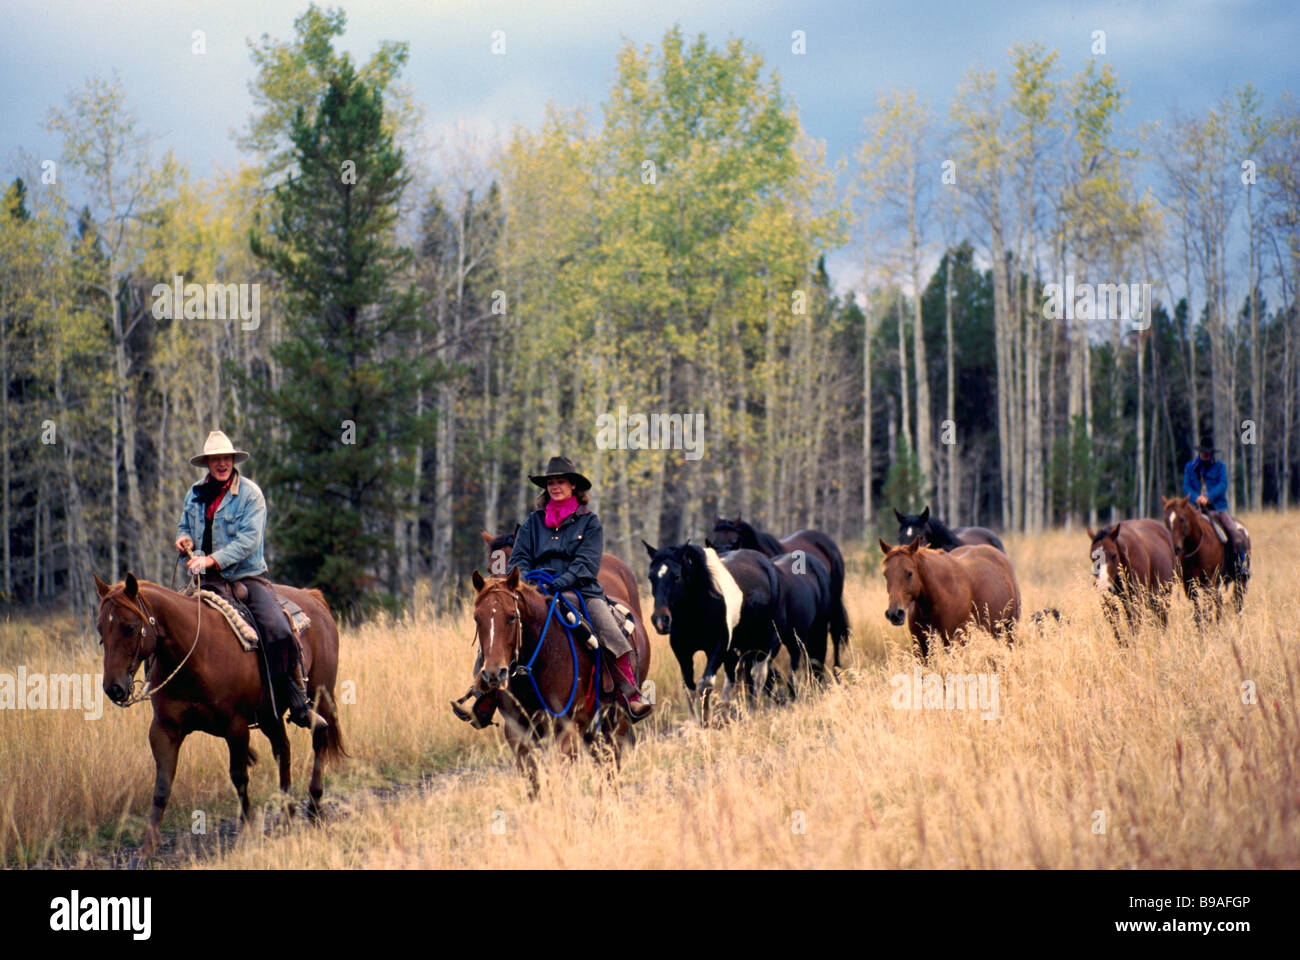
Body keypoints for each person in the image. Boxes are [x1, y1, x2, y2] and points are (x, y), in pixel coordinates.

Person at [453, 456, 651, 727]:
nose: (555, 487)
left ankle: (628, 691)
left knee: (609, 628)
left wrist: (561, 582)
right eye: (551, 483)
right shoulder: (533, 522)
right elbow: (519, 558)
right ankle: (485, 696)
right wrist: (529, 584)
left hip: (581, 590)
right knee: (499, 625)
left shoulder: (589, 523)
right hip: (535, 589)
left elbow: (587, 563)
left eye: (561, 482)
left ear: (573, 486)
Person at [174, 430, 322, 729]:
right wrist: (183, 539)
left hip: (246, 578)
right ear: (208, 464)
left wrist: (211, 560)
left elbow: (249, 542)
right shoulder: (195, 493)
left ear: (232, 460)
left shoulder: (251, 494)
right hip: (205, 581)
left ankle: (296, 699)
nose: (221, 464)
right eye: (215, 459)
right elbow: (183, 526)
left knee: (279, 629)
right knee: (165, 626)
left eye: (225, 458)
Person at [1182, 436, 1249, 579]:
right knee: (1179, 534)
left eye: (1208, 453)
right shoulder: (1190, 467)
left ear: (1212, 453)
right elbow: (1186, 486)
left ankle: (1240, 567)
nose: (1205, 455)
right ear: (1199, 452)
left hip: (1217, 509)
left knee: (1235, 534)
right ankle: (1179, 570)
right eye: (1203, 452)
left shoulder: (1219, 467)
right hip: (1195, 510)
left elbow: (1222, 485)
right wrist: (1196, 498)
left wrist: (1208, 496)